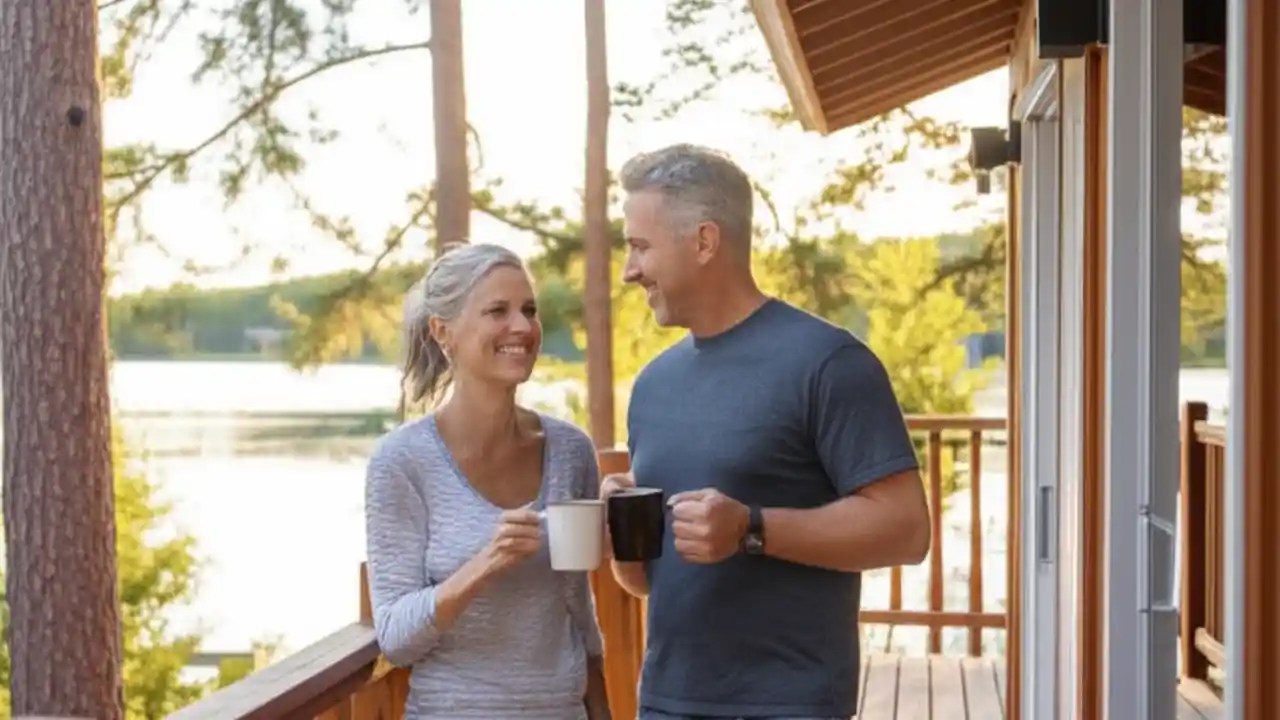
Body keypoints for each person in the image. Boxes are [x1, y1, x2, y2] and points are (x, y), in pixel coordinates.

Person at [602, 145, 932, 720]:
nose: (630, 270)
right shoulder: (654, 384)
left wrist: (752, 529)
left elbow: (906, 530)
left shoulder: (828, 363)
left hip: (789, 704)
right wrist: (618, 536)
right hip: (665, 703)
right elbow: (650, 583)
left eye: (640, 247)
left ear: (704, 241)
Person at [364, 243, 611, 720]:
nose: (522, 327)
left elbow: (579, 608)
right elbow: (395, 638)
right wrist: (485, 565)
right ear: (443, 332)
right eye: (498, 311)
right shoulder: (402, 462)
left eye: (529, 310)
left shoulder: (569, 451)